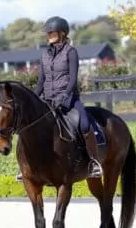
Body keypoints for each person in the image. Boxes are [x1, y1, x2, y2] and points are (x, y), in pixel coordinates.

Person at [15, 16, 103, 182]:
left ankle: (93, 163)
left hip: (69, 99)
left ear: (62, 33)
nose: (49, 35)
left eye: (52, 32)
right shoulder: (44, 55)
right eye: (47, 33)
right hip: (47, 100)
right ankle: (24, 167)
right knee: (28, 126)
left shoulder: (71, 52)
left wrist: (64, 96)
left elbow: (72, 80)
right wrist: (32, 99)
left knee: (84, 124)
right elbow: (41, 81)